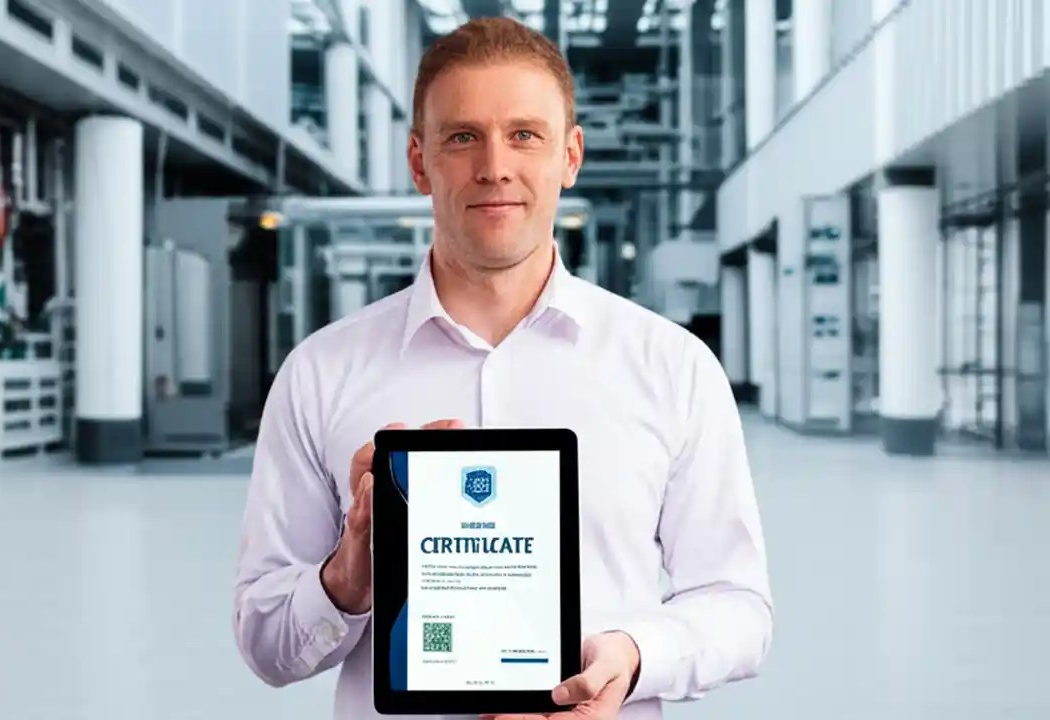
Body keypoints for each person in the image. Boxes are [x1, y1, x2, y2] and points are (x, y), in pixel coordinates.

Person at [232, 16, 772, 720]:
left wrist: (634, 656)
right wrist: (348, 575)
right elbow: (265, 642)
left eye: (525, 135)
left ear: (569, 156)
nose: (495, 165)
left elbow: (739, 609)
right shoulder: (322, 373)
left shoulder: (671, 366)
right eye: (463, 137)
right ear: (419, 161)